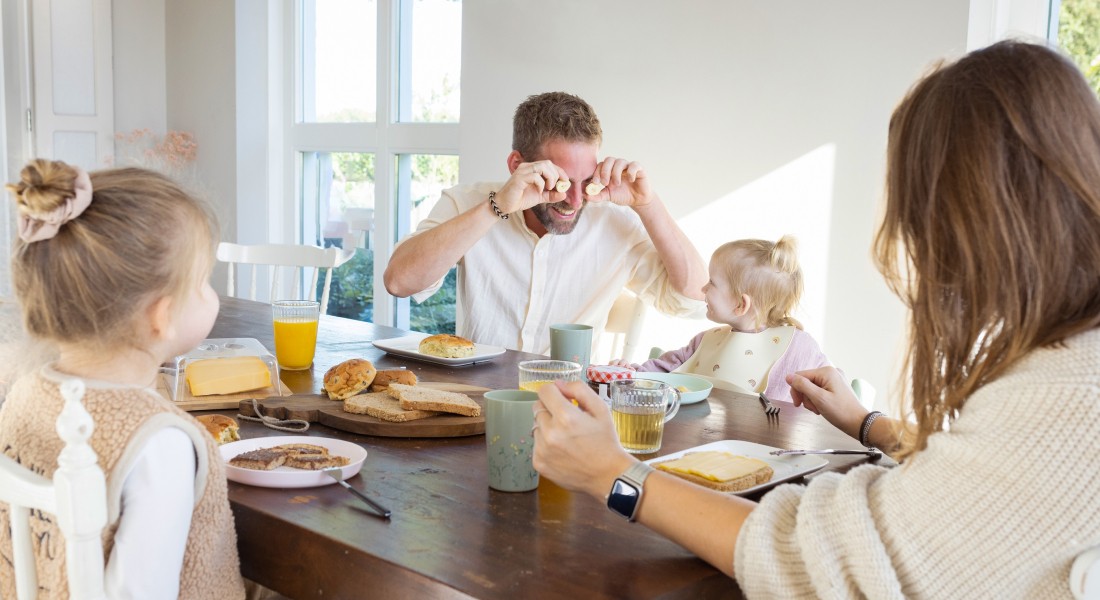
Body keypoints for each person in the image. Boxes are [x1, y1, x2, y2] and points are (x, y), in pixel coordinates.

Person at [531, 40, 1100, 597]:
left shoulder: (1070, 394)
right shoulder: (1065, 361)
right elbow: (981, 485)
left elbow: (825, 562)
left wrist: (615, 473)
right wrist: (869, 424)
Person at [0, 160, 246, 599]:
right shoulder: (158, 442)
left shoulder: (26, 392)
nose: (213, 295)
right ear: (163, 315)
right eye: (204, 282)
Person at [383, 91, 707, 354]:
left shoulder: (614, 222)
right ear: (517, 165)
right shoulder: (467, 203)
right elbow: (399, 282)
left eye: (586, 180)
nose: (576, 200)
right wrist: (495, 209)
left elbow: (694, 298)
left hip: (569, 406)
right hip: (479, 396)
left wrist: (647, 204)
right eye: (561, 181)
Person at [610, 235, 830, 401]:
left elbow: (834, 386)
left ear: (741, 304)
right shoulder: (705, 341)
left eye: (712, 283)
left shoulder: (800, 347)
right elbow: (665, 370)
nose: (703, 288)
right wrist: (630, 374)